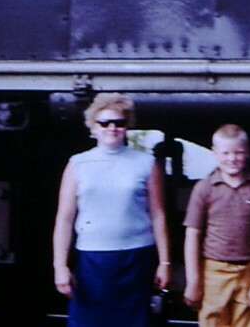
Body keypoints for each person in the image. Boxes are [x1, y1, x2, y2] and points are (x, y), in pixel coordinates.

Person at [53, 93, 173, 327]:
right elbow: (65, 219)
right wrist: (60, 266)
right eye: (104, 123)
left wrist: (165, 262)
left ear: (127, 127)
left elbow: (158, 215)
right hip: (92, 261)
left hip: (135, 259)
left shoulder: (146, 163)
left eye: (119, 123)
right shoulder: (78, 164)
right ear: (92, 128)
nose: (112, 128)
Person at [182, 124, 250, 327]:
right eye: (225, 153)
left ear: (248, 153)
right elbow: (192, 235)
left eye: (239, 152)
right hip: (213, 271)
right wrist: (193, 281)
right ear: (215, 153)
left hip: (248, 272)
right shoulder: (204, 188)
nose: (232, 158)